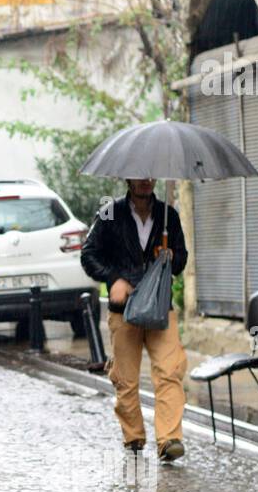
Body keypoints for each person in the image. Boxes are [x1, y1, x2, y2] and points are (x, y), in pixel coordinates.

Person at [80, 177, 189, 461]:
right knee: (126, 379)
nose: (146, 180)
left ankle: (169, 439)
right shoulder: (109, 214)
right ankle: (134, 437)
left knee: (169, 371)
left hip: (159, 306)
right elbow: (89, 255)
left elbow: (181, 262)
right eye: (139, 175)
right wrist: (113, 278)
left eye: (151, 175)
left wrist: (170, 256)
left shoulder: (169, 216)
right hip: (124, 309)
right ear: (128, 178)